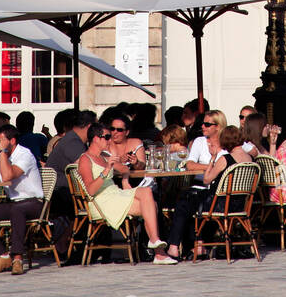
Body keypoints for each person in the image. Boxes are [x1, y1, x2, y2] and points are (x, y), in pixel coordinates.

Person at [76, 123, 172, 263]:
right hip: (101, 202)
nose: (110, 140)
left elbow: (124, 169)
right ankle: (158, 251)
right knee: (153, 205)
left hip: (116, 194)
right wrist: (106, 170)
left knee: (146, 191)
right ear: (96, 138)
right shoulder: (86, 159)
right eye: (107, 137)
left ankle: (155, 243)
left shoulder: (103, 157)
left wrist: (125, 181)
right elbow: (90, 190)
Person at [0, 123, 46, 275]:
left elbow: (8, 176)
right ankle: (1, 255)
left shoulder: (25, 154)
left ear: (12, 141)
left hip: (34, 202)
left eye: (0, 141)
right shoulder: (0, 156)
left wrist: (2, 152)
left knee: (17, 210)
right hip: (14, 203)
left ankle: (17, 258)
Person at [166, 109, 231, 258]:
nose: (202, 126)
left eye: (207, 124)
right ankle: (183, 246)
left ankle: (184, 246)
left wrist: (210, 167)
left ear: (218, 126)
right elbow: (190, 164)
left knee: (188, 201)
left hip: (219, 189)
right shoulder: (199, 141)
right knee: (186, 200)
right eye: (203, 123)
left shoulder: (227, 143)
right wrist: (212, 166)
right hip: (199, 185)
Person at [46, 110, 96, 216]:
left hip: (65, 192)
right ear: (89, 127)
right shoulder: (73, 142)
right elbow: (89, 166)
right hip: (63, 194)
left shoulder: (72, 139)